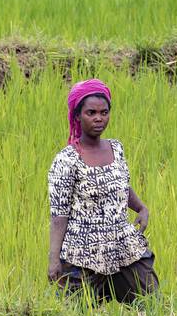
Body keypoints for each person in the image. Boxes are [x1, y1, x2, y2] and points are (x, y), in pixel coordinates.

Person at [47, 78, 159, 304]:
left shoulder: (116, 148)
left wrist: (140, 207)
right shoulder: (67, 160)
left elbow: (120, 186)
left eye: (104, 112)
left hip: (121, 247)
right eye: (91, 113)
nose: (98, 118)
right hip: (82, 253)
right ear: (77, 115)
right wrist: (54, 258)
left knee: (151, 306)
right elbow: (59, 215)